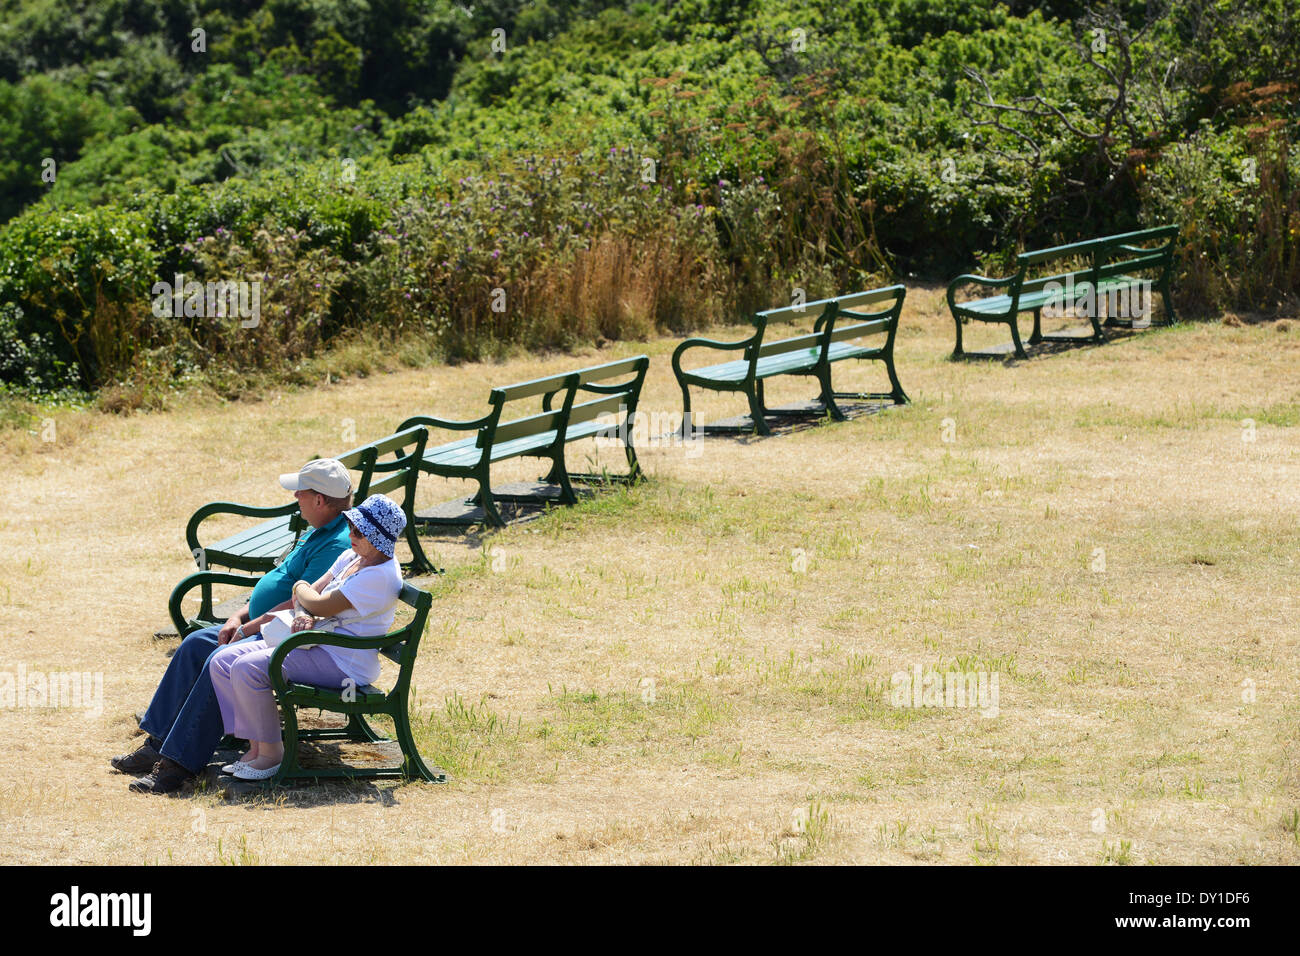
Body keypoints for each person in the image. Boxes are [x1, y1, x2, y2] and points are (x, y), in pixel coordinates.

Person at [111, 459, 355, 794]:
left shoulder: (336, 543)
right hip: (260, 626)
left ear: (319, 500)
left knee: (219, 660)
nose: (295, 496)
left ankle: (177, 766)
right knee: (196, 643)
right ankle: (158, 743)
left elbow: (303, 602)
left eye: (302, 492)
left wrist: (247, 628)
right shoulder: (316, 531)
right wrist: (238, 616)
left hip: (281, 635)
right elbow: (276, 582)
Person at [208, 494, 406, 780]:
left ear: (379, 538)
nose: (350, 534)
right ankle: (255, 747)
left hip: (343, 661)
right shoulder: (354, 555)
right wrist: (306, 602)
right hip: (316, 643)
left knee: (248, 667)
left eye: (359, 531)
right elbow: (310, 597)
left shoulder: (380, 575)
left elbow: (318, 601)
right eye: (351, 526)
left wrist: (302, 591)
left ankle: (272, 756)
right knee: (222, 661)